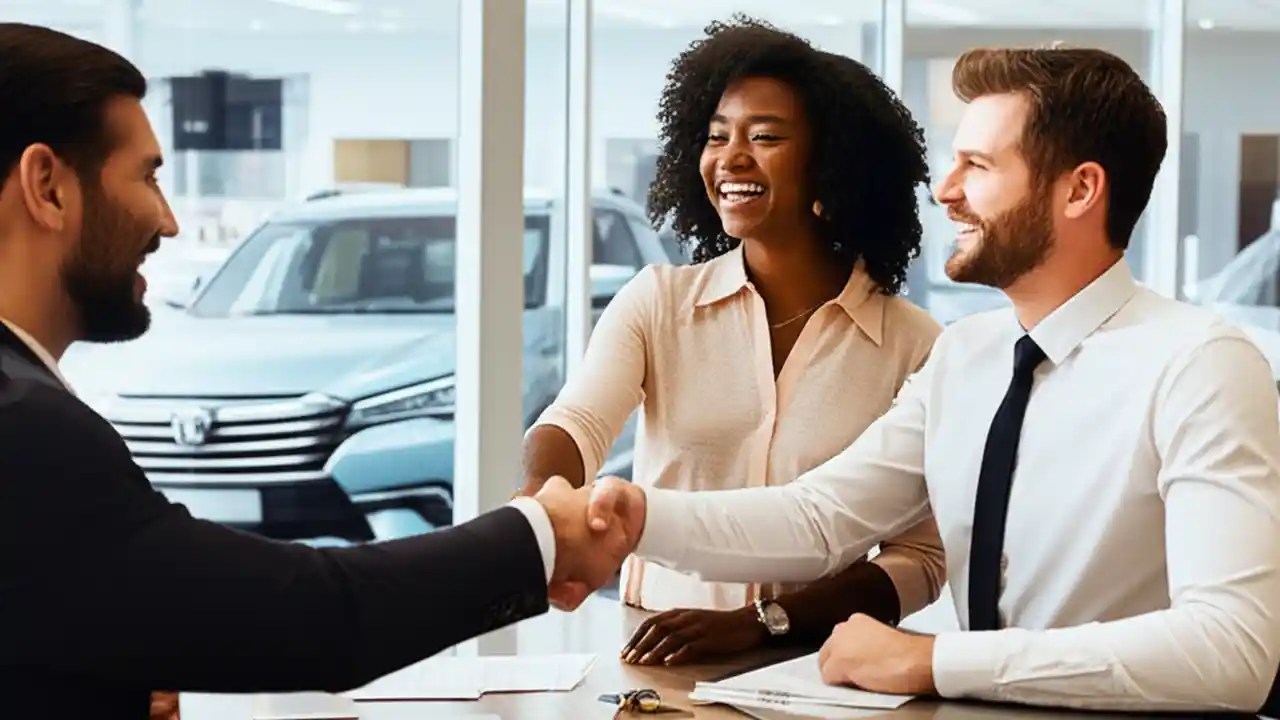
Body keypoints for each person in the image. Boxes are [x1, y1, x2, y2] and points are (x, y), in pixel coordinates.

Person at [582, 44, 1280, 715]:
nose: (945, 192)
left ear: (1080, 190)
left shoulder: (1199, 364)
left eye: (976, 166)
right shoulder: (966, 357)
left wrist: (931, 660)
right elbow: (818, 517)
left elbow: (1231, 650)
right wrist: (633, 516)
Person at [0, 23, 624, 720]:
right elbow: (319, 614)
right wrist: (542, 535)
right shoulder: (25, 424)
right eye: (147, 175)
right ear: (47, 187)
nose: (169, 221)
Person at [518, 16, 947, 666]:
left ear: (833, 165)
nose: (731, 157)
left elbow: (920, 557)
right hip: (652, 651)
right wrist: (541, 513)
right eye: (717, 136)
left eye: (766, 136)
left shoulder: (914, 345)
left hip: (815, 663)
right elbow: (574, 425)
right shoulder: (659, 301)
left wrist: (768, 622)